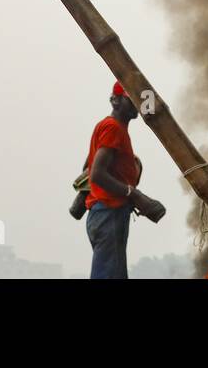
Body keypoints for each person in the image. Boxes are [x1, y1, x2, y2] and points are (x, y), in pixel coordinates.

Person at [81, 82, 165, 279]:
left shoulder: (110, 127)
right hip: (109, 213)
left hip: (104, 214)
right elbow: (97, 174)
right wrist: (134, 194)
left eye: (137, 99)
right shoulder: (113, 128)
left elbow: (87, 168)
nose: (136, 103)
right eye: (130, 99)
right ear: (115, 101)